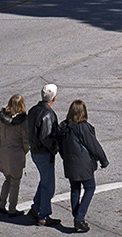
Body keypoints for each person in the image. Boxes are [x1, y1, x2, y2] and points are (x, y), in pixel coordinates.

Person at [58, 100, 108, 233]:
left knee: (75, 190)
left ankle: (77, 217)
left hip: (70, 164)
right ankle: (79, 218)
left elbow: (60, 147)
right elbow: (93, 146)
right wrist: (103, 160)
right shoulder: (83, 127)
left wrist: (66, 159)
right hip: (84, 165)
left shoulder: (63, 127)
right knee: (90, 188)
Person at [27, 84, 60, 227]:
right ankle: (44, 216)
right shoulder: (48, 114)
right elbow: (46, 136)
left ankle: (35, 208)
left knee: (44, 181)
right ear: (54, 97)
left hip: (35, 151)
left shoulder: (33, 110)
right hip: (44, 153)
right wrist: (55, 148)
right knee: (49, 186)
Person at [0, 95, 30, 217]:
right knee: (15, 182)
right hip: (16, 154)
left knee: (7, 179)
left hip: (3, 152)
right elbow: (26, 141)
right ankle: (12, 209)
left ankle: (1, 205)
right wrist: (25, 150)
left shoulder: (1, 118)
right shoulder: (23, 122)